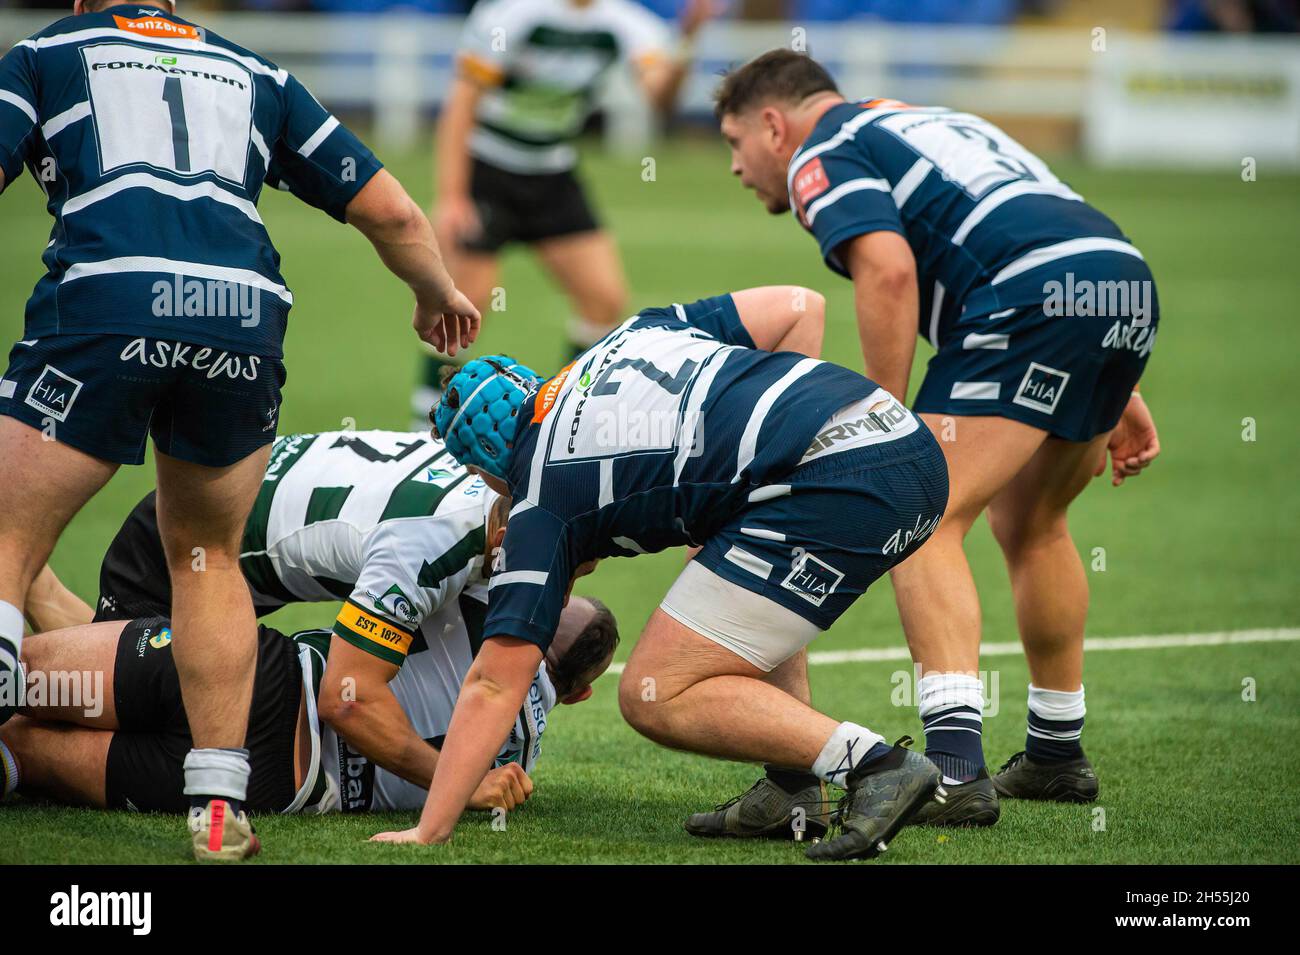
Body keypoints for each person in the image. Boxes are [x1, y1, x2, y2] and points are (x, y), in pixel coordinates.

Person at [0, 0, 480, 860]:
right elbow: (394, 212)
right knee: (207, 558)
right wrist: (437, 293)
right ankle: (218, 804)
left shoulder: (47, 52)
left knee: (6, 535)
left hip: (110, 295)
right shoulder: (255, 70)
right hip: (240, 315)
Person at [714, 50, 1162, 826]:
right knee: (1033, 523)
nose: (734, 165)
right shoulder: (921, 117)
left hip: (1027, 300)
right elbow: (1030, 220)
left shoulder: (821, 153)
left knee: (920, 515)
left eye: (733, 142)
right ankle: (1056, 753)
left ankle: (955, 772)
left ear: (773, 125)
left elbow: (887, 272)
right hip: (1116, 280)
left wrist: (883, 425)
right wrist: (1113, 374)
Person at [372, 286, 952, 862]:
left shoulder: (539, 500)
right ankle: (793, 789)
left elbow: (495, 683)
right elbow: (802, 306)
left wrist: (431, 828)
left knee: (653, 692)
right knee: (738, 594)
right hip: (901, 436)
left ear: (485, 464)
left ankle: (878, 765)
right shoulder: (629, 335)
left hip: (847, 484)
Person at [0, 595, 616, 826]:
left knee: (18, 678)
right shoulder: (514, 760)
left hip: (263, 680)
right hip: (273, 784)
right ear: (581, 694)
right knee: (20, 752)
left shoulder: (482, 599)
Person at [412, 0, 717, 423]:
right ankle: (428, 421)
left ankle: (562, 419)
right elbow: (462, 104)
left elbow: (660, 97)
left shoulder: (625, 21)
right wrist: (452, 196)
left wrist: (687, 38)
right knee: (463, 304)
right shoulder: (510, 14)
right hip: (488, 168)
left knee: (603, 298)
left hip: (552, 173)